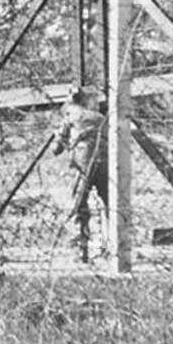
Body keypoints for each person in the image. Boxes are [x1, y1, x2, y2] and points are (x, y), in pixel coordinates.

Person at [52, 88, 109, 260]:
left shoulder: (69, 116)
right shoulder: (100, 118)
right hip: (104, 162)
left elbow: (56, 149)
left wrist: (58, 137)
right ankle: (110, 244)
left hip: (82, 164)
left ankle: (81, 248)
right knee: (109, 203)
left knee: (79, 204)